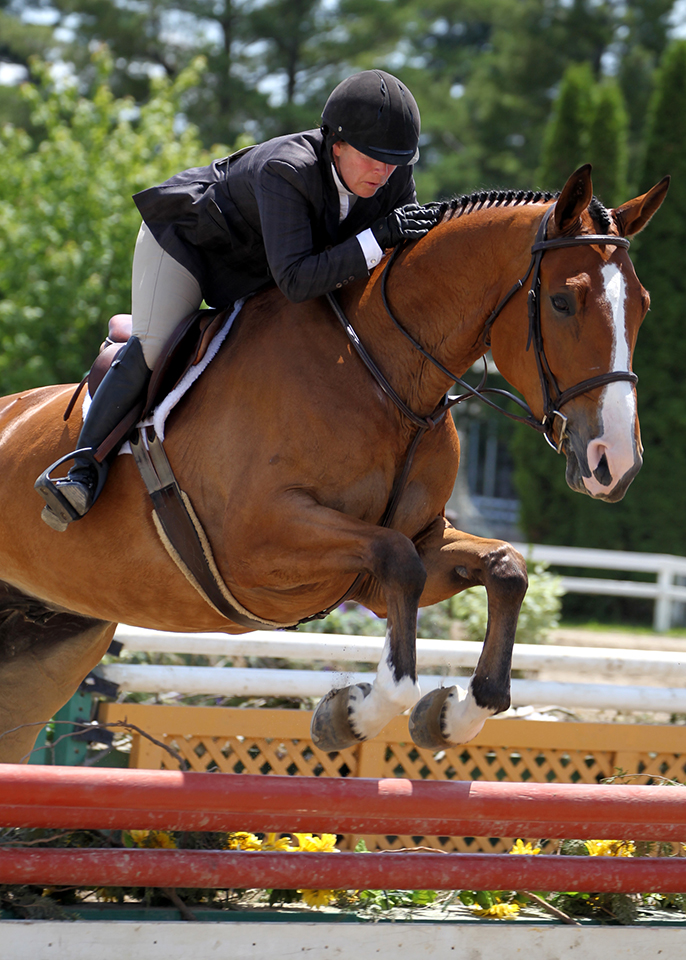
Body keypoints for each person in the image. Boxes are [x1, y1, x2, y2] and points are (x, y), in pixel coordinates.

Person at [36, 69, 441, 532]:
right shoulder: (287, 169)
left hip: (261, 270)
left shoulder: (392, 173)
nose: (385, 172)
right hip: (190, 247)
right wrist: (379, 235)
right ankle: (81, 471)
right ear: (338, 144)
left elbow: (387, 262)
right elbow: (297, 278)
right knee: (155, 344)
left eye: (395, 161)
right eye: (373, 158)